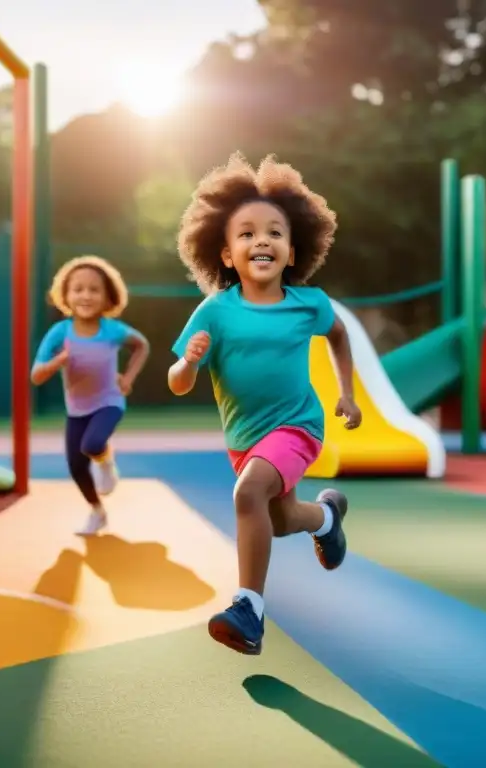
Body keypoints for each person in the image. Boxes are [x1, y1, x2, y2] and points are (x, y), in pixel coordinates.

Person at [168, 152, 361, 655]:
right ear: (226, 254)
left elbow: (339, 337)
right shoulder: (214, 311)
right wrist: (187, 364)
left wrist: (347, 393)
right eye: (247, 233)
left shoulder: (309, 304)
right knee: (276, 520)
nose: (262, 241)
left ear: (293, 252)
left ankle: (248, 609)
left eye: (275, 233)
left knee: (247, 493)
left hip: (299, 426)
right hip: (244, 438)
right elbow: (177, 384)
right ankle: (324, 519)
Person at [31, 255, 150, 536]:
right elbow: (35, 376)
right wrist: (55, 363)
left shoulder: (113, 330)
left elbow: (141, 346)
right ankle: (97, 511)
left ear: (108, 296)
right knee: (76, 467)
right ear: (66, 295)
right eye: (78, 289)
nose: (86, 295)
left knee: (94, 443)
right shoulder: (60, 333)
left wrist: (129, 378)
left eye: (94, 290)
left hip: (109, 402)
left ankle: (106, 462)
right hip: (77, 409)